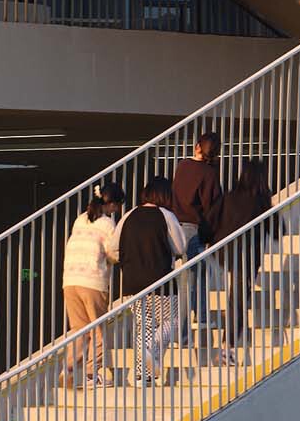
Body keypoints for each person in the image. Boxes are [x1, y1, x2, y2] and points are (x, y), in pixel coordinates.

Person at [104, 176, 188, 382]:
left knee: (145, 327)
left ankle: (143, 374)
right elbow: (180, 247)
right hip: (160, 281)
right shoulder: (165, 215)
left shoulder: (129, 215)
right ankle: (153, 349)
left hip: (132, 282)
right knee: (173, 322)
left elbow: (113, 250)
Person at [211, 158, 274, 362]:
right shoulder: (260, 199)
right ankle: (227, 346)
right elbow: (275, 229)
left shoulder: (229, 197)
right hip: (246, 256)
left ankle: (228, 343)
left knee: (237, 296)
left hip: (226, 254)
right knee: (237, 298)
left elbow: (211, 219)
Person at [60, 182, 124, 384]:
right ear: (111, 203)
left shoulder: (80, 220)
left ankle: (68, 369)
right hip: (92, 280)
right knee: (97, 330)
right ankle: (91, 374)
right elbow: (113, 254)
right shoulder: (107, 224)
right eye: (117, 205)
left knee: (79, 329)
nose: (117, 209)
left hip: (70, 279)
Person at [172, 130, 222, 354]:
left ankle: (197, 319)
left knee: (191, 276)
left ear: (198, 147)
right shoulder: (209, 173)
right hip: (193, 228)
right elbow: (213, 205)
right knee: (195, 277)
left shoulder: (183, 166)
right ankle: (189, 325)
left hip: (175, 226)